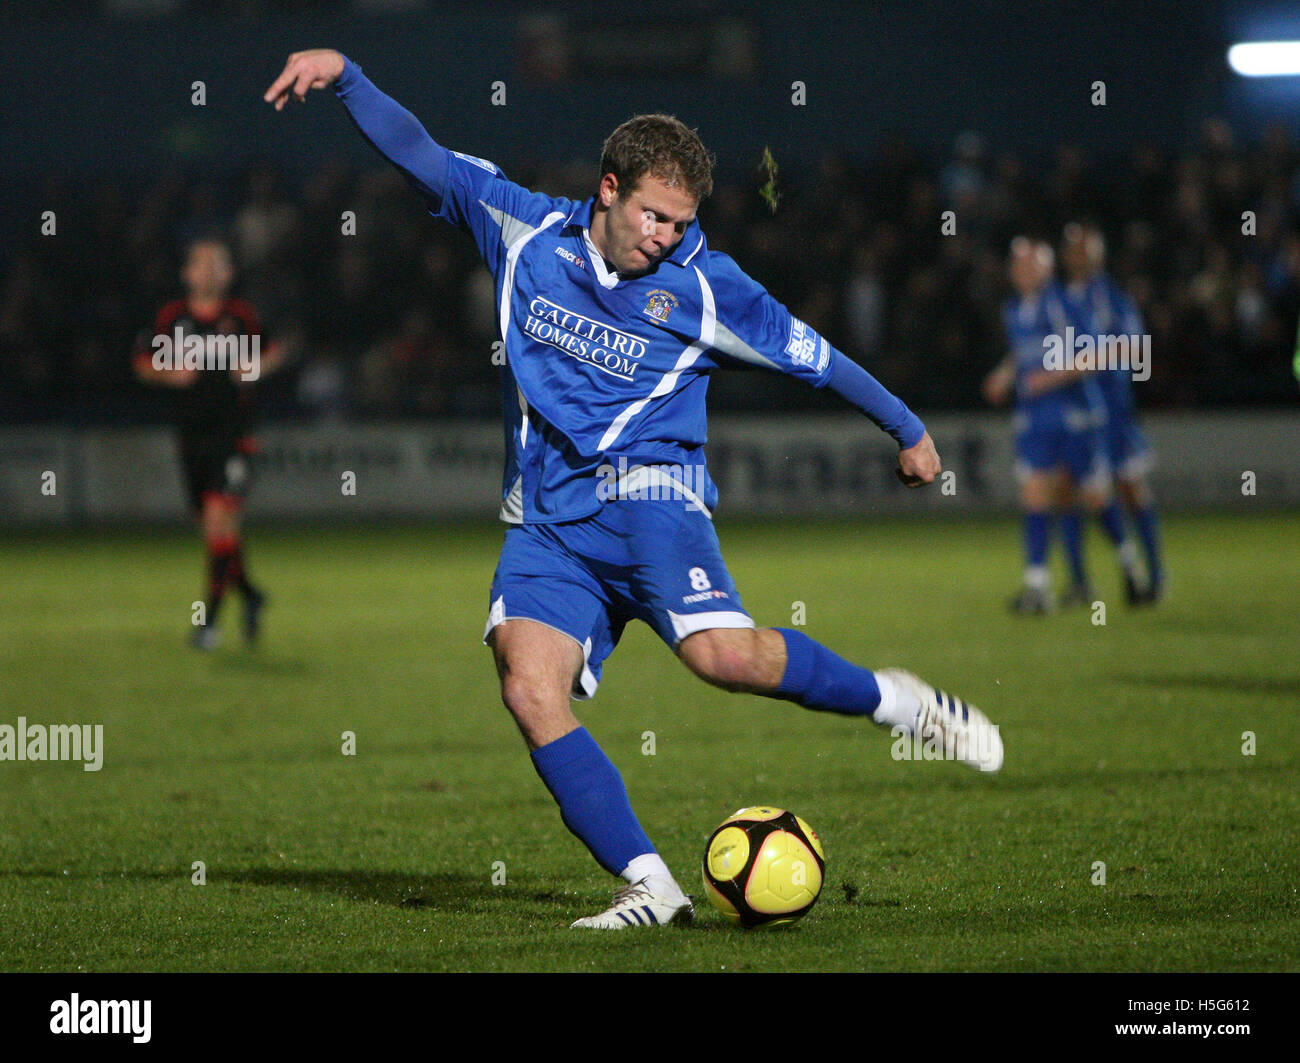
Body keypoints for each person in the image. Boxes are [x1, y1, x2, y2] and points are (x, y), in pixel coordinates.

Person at [264, 49, 1003, 930]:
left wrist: (908, 427)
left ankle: (900, 701)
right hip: (547, 517)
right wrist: (346, 74)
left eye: (682, 221)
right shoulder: (520, 228)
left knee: (720, 658)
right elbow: (420, 151)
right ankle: (652, 885)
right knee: (527, 687)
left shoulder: (705, 287)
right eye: (654, 215)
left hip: (653, 493)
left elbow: (815, 356)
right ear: (607, 190)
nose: (667, 236)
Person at [133, 237, 284, 649]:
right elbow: (142, 364)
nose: (211, 271)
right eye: (203, 264)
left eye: (219, 264)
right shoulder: (173, 318)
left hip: (235, 436)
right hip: (190, 437)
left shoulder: (241, 317)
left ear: (230, 273)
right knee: (216, 531)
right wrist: (168, 373)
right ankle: (251, 596)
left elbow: (274, 352)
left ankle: (209, 624)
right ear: (187, 273)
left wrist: (257, 367)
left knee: (220, 519)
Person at [983, 238, 1143, 612]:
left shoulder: (1065, 305)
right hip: (1036, 417)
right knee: (1034, 492)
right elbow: (1024, 354)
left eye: (1030, 263)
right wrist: (1003, 376)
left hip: (1076, 415)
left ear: (1046, 269)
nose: (1021, 270)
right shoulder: (1013, 310)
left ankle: (1129, 563)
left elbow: (1098, 353)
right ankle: (1037, 587)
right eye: (1017, 263)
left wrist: (1048, 378)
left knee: (1094, 497)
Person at [1059, 223, 1163, 604]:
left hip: (1113, 411)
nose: (1078, 254)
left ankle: (1154, 574)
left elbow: (1135, 347)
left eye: (1086, 247)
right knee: (1069, 491)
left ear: (1099, 252)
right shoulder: (1056, 298)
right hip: (1073, 412)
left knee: (1131, 489)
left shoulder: (1112, 297)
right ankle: (1080, 581)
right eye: (1072, 248)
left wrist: (1085, 361)